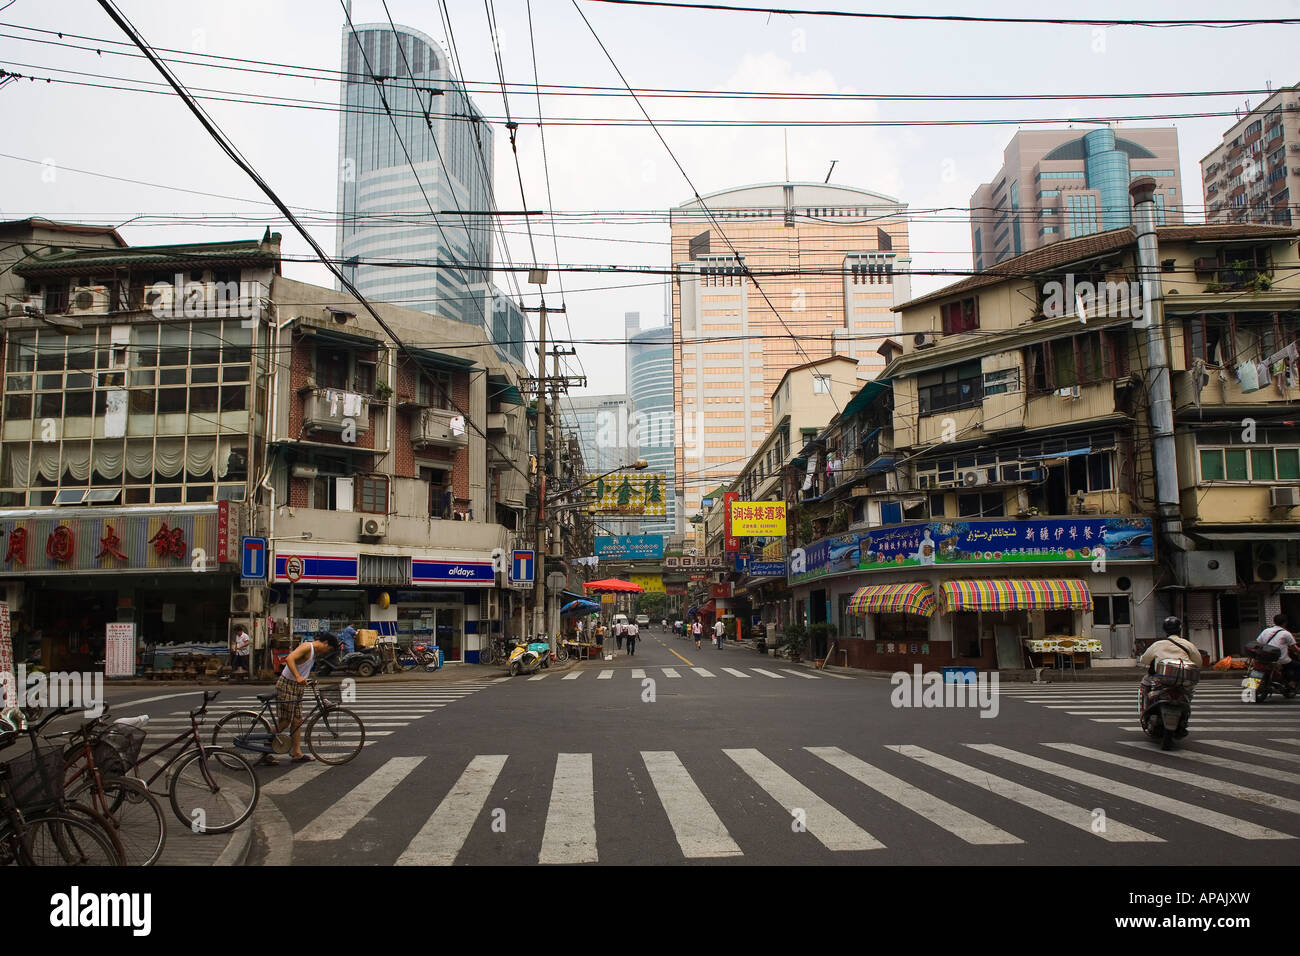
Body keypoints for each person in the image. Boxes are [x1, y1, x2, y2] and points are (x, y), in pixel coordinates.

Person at [263, 631, 340, 765]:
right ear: (325, 643)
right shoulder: (307, 647)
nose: (328, 652)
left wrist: (305, 679)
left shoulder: (314, 653)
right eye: (330, 649)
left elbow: (302, 667)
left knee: (297, 720)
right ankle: (265, 749)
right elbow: (289, 659)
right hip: (287, 685)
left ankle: (296, 753)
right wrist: (298, 677)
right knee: (285, 722)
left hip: (297, 687)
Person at [1138, 617, 1200, 738]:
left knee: (1144, 685)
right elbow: (1198, 662)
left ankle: (1145, 711)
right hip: (1182, 682)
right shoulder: (1188, 644)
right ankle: (1185, 717)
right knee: (1189, 693)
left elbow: (1145, 659)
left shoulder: (1158, 644)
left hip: (1161, 681)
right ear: (1180, 629)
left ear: (1165, 630)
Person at [1256, 614, 1299, 687]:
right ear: (1285, 623)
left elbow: (1258, 642)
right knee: (1297, 666)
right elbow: (1293, 647)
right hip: (1280, 659)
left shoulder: (1266, 631)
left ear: (1274, 622)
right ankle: (1292, 683)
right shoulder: (1286, 633)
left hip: (1265, 658)